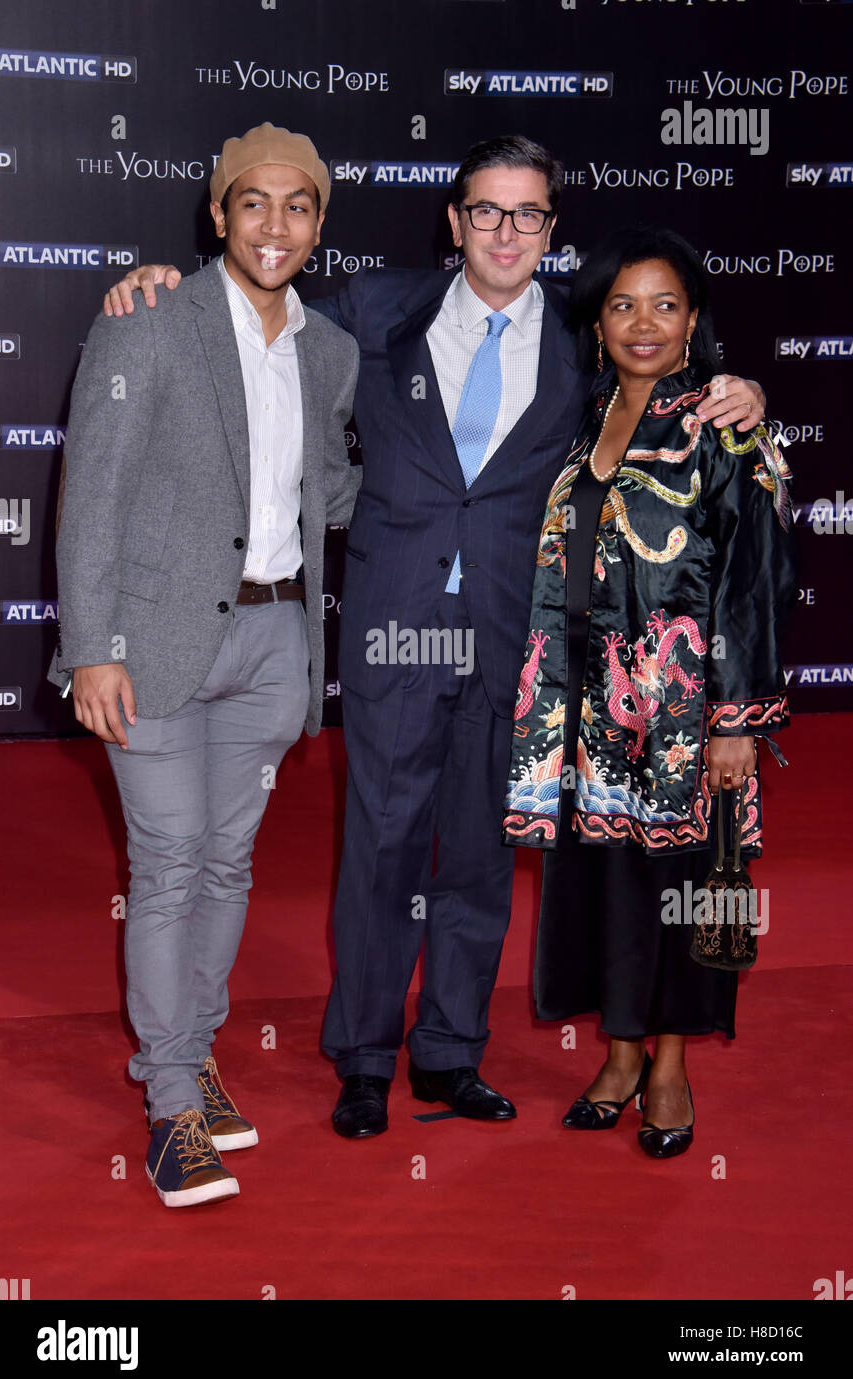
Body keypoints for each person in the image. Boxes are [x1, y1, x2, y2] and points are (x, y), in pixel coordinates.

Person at [103, 135, 766, 1141]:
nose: (505, 232)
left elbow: (661, 383)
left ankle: (451, 1050)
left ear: (550, 230)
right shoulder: (376, 309)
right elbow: (252, 314)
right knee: (381, 847)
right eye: (486, 211)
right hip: (393, 628)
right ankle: (364, 1057)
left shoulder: (582, 339)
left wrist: (744, 391)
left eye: (527, 214)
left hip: (517, 642)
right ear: (454, 222)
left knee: (482, 857)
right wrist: (162, 284)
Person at [49, 124, 360, 1205]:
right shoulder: (147, 321)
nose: (276, 225)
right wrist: (91, 649)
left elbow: (330, 488)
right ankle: (172, 1101)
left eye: (298, 206)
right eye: (254, 202)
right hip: (155, 643)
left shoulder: (330, 349)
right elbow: (90, 495)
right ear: (219, 213)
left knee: (228, 863)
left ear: (318, 224)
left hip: (276, 642)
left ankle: (196, 1050)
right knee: (170, 862)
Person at [502, 226, 795, 1158]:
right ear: (596, 323)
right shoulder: (578, 419)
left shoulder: (723, 428)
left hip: (684, 715)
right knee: (611, 886)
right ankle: (621, 1053)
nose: (642, 323)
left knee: (688, 888)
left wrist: (734, 719)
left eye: (664, 305)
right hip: (585, 710)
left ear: (693, 320)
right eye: (622, 305)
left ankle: (670, 1067)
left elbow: (753, 581)